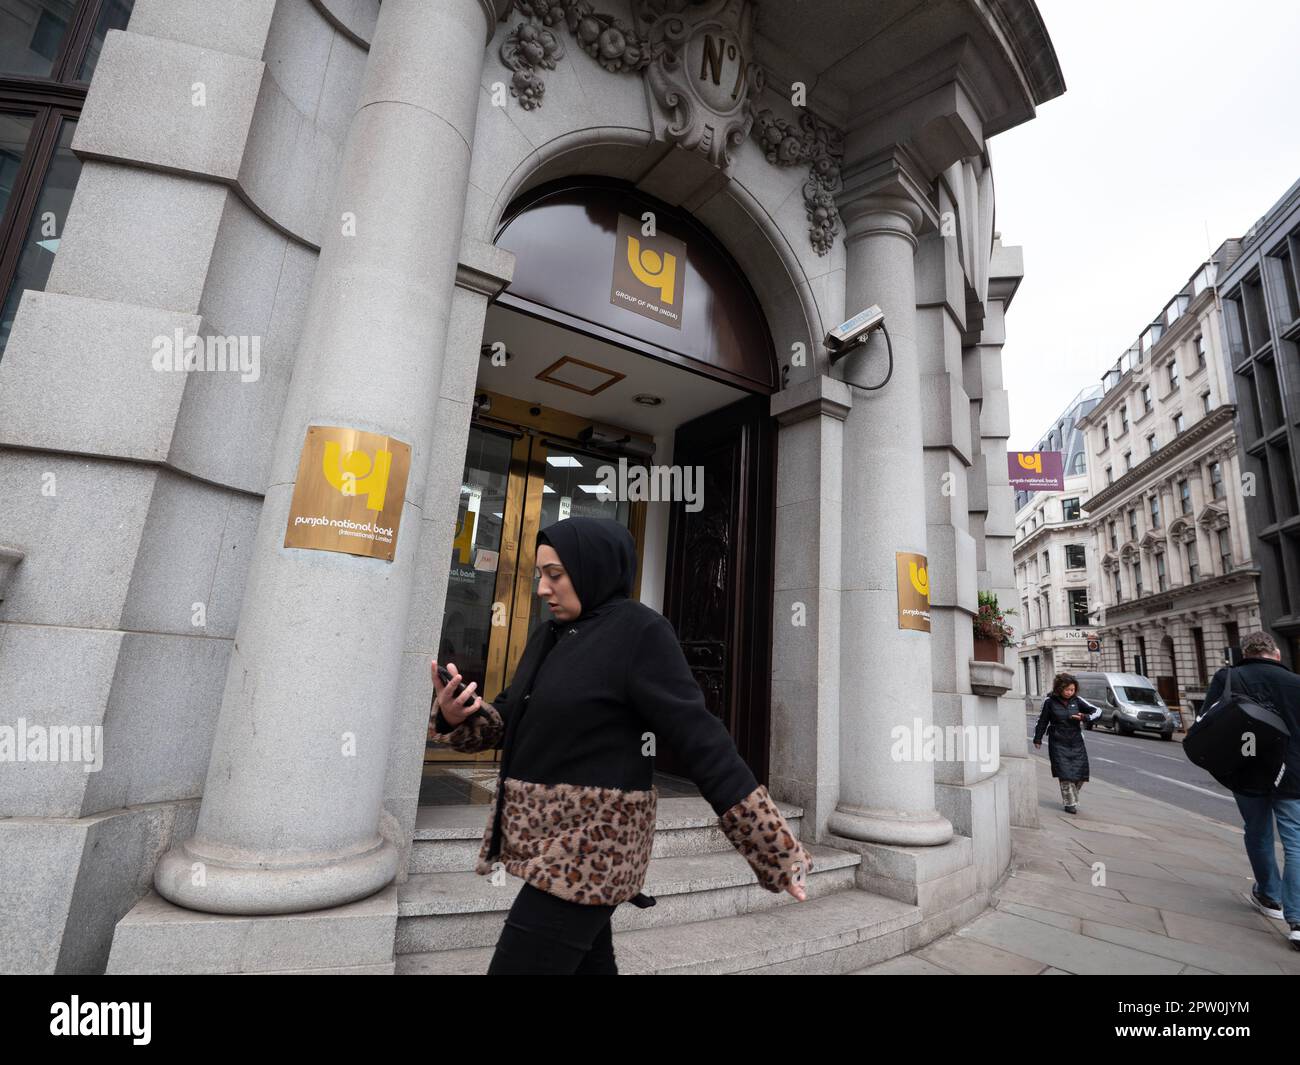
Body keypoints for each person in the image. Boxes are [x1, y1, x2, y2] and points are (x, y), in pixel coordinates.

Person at [429, 516, 813, 974]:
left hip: (594, 847)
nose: (542, 589)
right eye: (539, 576)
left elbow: (701, 738)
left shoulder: (640, 631)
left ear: (592, 568)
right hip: (545, 838)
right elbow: (511, 715)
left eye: (556, 575)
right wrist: (460, 715)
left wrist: (773, 847)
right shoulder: (547, 635)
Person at [1203, 631, 1300, 948]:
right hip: (1292, 772)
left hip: (1247, 768)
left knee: (1257, 831)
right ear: (1276, 654)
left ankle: (1270, 897)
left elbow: (1206, 719)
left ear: (1244, 652)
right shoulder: (1296, 683)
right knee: (1295, 841)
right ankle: (1298, 920)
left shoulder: (1228, 676)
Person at [1032, 672, 1102, 814]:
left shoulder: (1077, 700)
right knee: (1065, 773)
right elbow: (1042, 721)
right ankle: (1070, 803)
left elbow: (1097, 711)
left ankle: (1072, 795)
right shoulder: (1049, 702)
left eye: (1073, 689)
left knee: (1080, 774)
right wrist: (1037, 738)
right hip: (1057, 741)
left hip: (1076, 740)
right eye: (1067, 689)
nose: (1070, 692)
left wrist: (1084, 717)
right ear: (1059, 689)